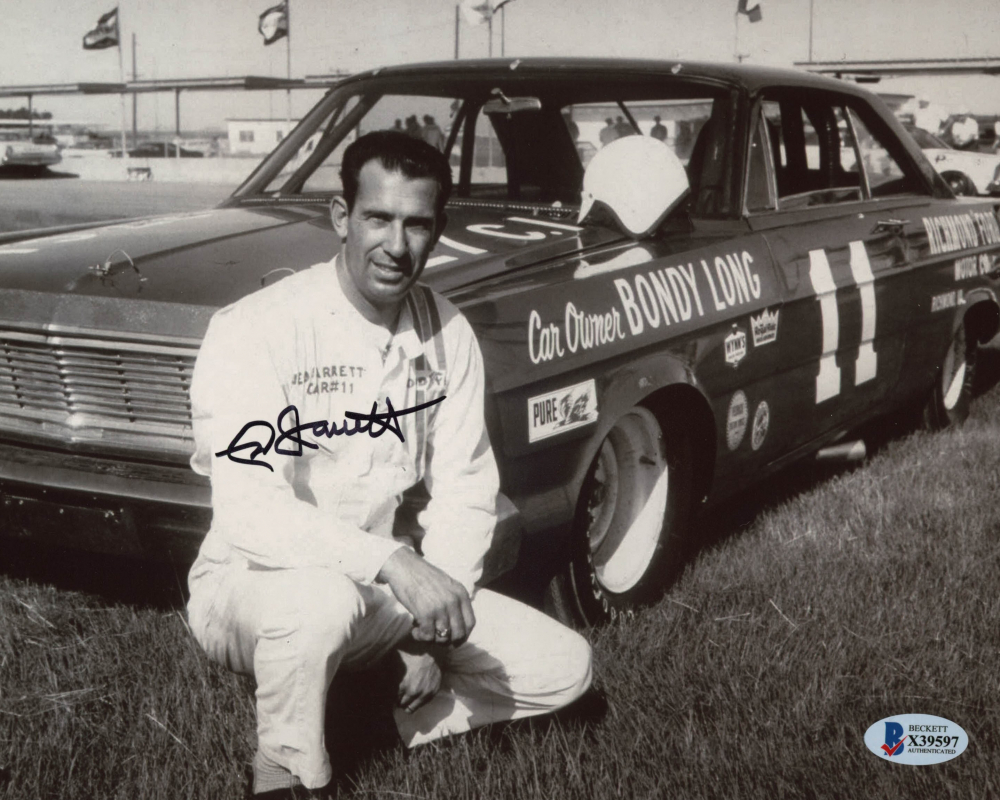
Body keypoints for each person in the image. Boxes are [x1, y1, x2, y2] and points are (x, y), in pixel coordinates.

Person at [185, 130, 592, 798]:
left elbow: (465, 492)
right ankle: (284, 772)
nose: (396, 247)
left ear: (439, 231)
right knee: (318, 601)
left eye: (417, 225)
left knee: (564, 667)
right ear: (341, 217)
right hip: (252, 590)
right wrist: (398, 565)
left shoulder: (448, 331)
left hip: (378, 595)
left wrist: (430, 637)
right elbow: (248, 510)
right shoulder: (256, 326)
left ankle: (360, 720)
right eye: (377, 218)